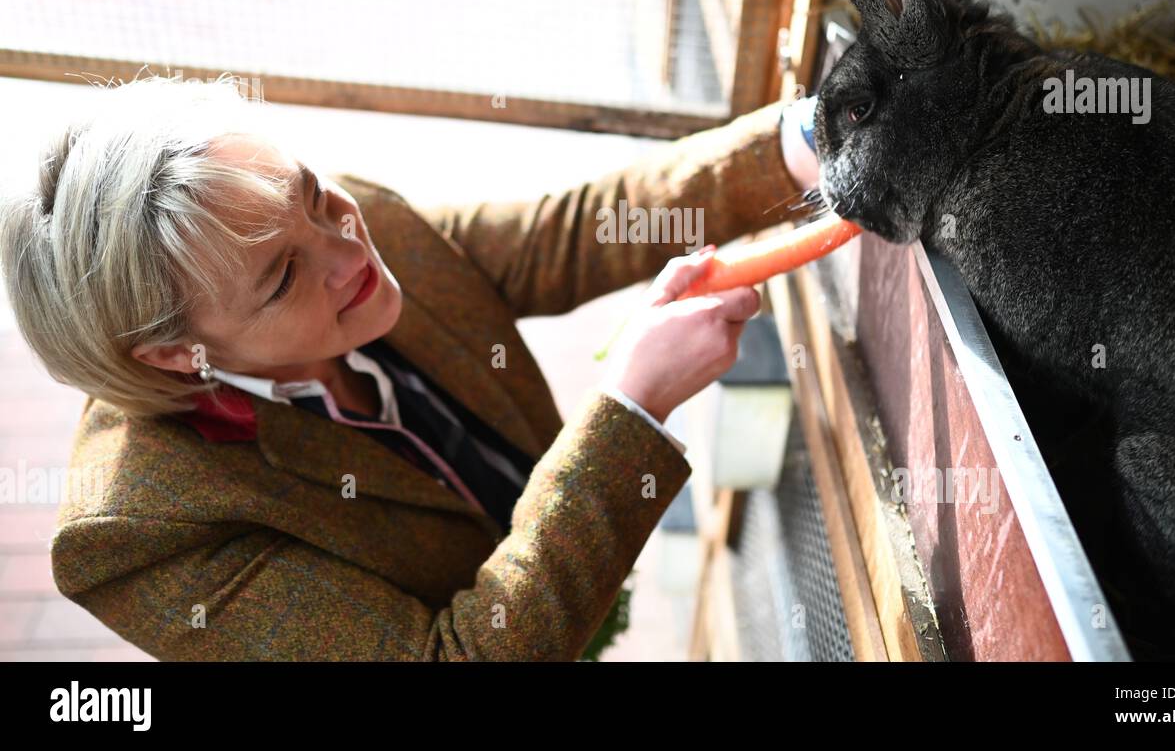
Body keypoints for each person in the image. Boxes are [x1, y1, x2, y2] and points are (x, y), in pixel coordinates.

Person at [0, 75, 822, 660]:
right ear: (179, 353)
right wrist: (629, 412)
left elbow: (561, 236)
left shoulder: (329, 223)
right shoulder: (141, 534)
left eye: (314, 193)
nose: (347, 247)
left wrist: (794, 147)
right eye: (284, 277)